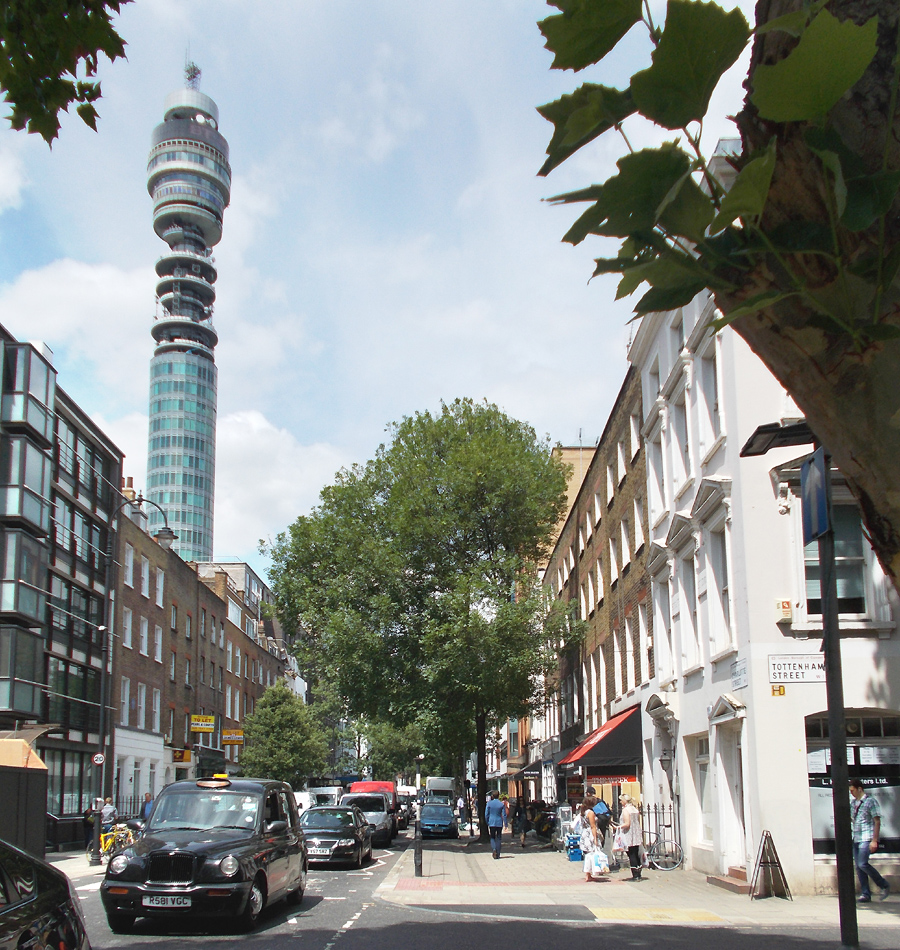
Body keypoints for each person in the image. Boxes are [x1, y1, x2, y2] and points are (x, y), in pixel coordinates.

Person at [850, 779, 890, 902]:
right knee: (858, 867)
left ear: (859, 789)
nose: (851, 793)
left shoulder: (870, 801)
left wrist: (874, 840)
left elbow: (877, 821)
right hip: (856, 837)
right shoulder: (853, 803)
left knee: (862, 863)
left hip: (866, 837)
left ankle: (883, 884)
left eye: (853, 790)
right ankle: (865, 893)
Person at [616, 793, 643, 881]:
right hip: (636, 833)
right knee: (636, 852)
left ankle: (635, 875)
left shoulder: (626, 810)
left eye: (621, 800)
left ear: (624, 801)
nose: (620, 802)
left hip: (629, 833)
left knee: (631, 854)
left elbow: (627, 824)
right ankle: (639, 873)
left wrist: (618, 827)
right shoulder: (634, 809)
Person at [579, 795, 601, 882]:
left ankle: (588, 873)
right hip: (589, 834)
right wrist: (595, 838)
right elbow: (593, 826)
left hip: (584, 833)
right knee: (591, 854)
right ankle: (588, 873)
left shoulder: (583, 812)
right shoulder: (590, 813)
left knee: (587, 854)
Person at [484, 791, 508, 859]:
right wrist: (505, 824)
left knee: (492, 837)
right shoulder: (501, 804)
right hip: (499, 822)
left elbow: (486, 814)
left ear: (492, 796)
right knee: (499, 838)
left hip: (491, 822)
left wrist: (487, 821)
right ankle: (498, 852)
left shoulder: (489, 804)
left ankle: (494, 849)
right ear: (498, 795)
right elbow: (504, 815)